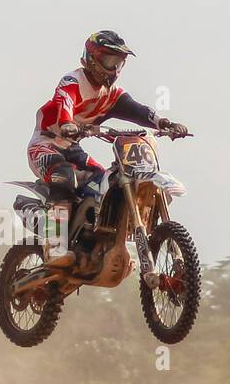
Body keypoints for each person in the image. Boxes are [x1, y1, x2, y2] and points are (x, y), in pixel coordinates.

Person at [26, 30, 188, 266]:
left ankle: (95, 240)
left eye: (119, 63)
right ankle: (55, 246)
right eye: (110, 60)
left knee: (105, 184)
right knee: (65, 177)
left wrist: (165, 123)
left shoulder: (111, 95)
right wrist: (68, 124)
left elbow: (138, 111)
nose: (114, 68)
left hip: (73, 150)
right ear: (92, 58)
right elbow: (65, 103)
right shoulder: (73, 81)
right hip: (45, 146)